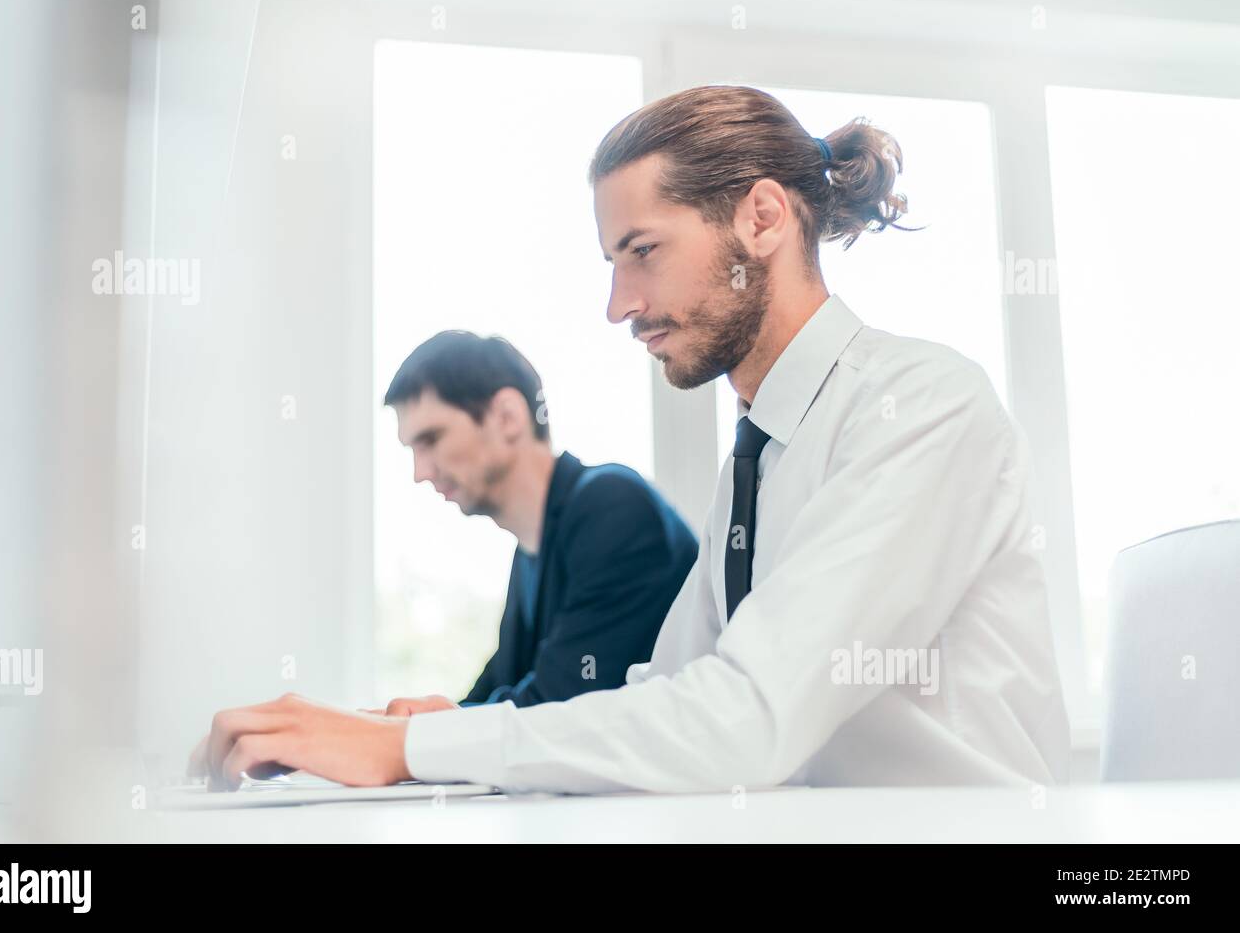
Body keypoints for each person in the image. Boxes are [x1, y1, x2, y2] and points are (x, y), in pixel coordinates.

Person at [192, 85, 1070, 793]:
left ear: (762, 220)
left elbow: (747, 718)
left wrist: (403, 752)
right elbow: (665, 694)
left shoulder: (920, 405)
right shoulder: (761, 450)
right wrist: (434, 735)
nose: (620, 305)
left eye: (642, 251)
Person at [380, 330, 697, 708]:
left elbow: (555, 712)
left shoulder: (614, 508)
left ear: (507, 417)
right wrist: (386, 729)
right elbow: (490, 697)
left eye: (431, 439)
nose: (420, 471)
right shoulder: (531, 551)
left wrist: (405, 735)